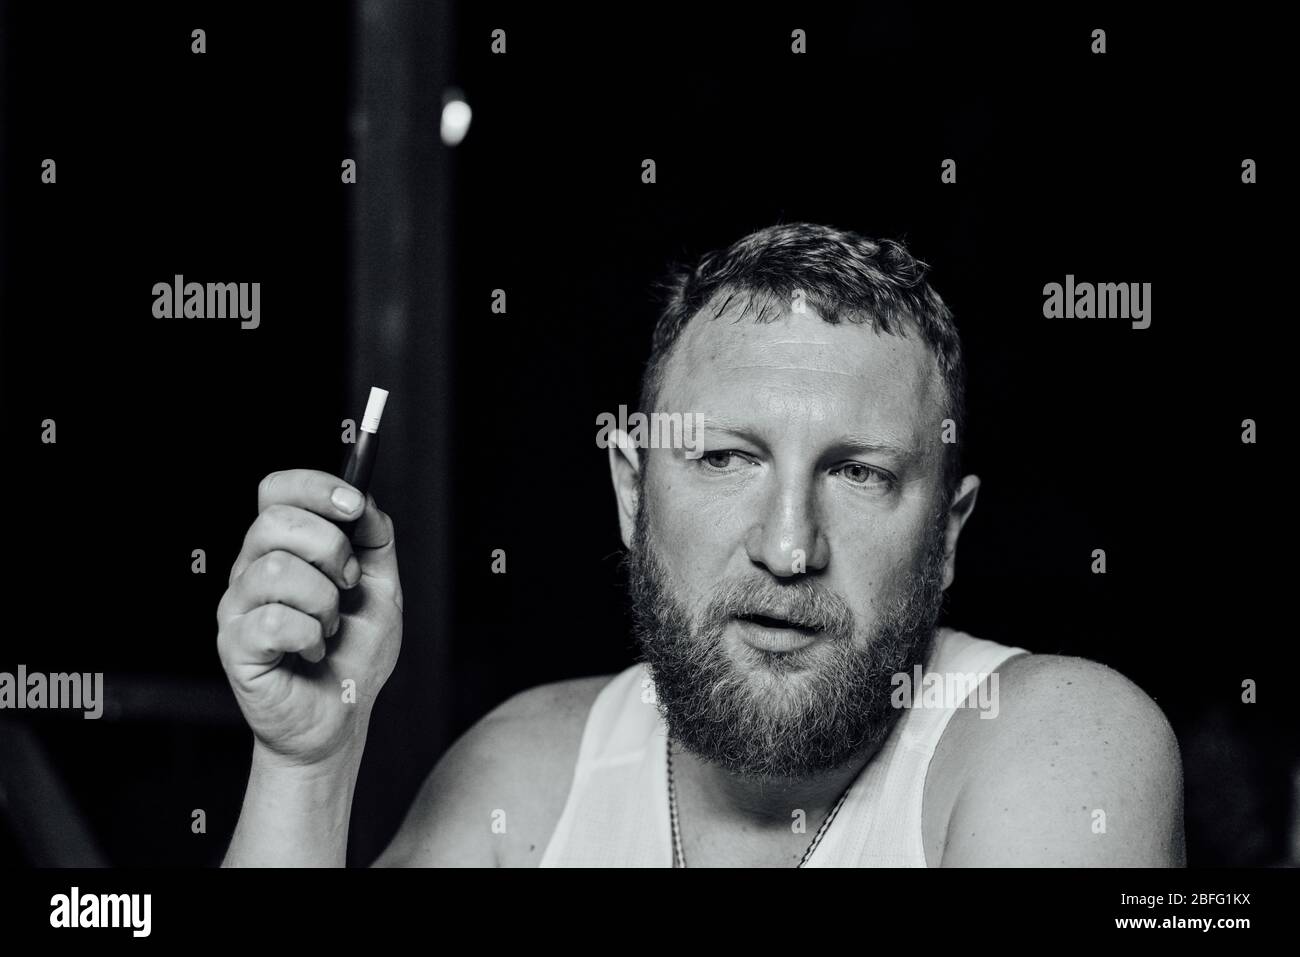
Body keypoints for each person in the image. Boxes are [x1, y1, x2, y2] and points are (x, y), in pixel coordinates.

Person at [217, 223, 1185, 867]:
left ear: (945, 537)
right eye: (725, 459)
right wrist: (306, 767)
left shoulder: (1060, 741)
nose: (787, 545)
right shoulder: (526, 775)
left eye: (858, 474)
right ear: (632, 495)